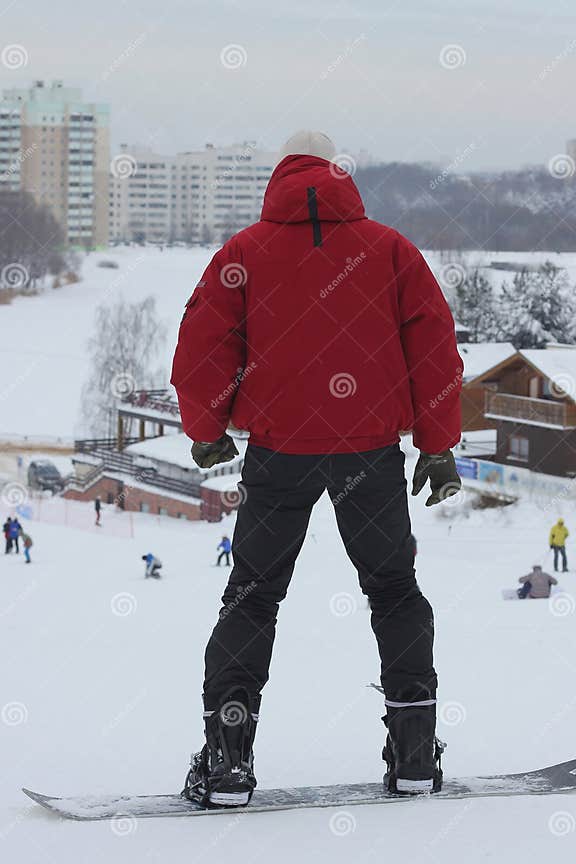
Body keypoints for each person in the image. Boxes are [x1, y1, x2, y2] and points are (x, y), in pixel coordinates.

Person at [171, 129, 463, 807]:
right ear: (340, 175)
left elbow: (203, 348)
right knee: (394, 591)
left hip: (279, 451)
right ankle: (415, 753)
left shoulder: (242, 253)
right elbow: (435, 347)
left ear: (277, 179)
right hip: (369, 453)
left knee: (253, 595)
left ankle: (227, 762)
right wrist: (438, 442)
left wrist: (208, 430)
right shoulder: (392, 250)